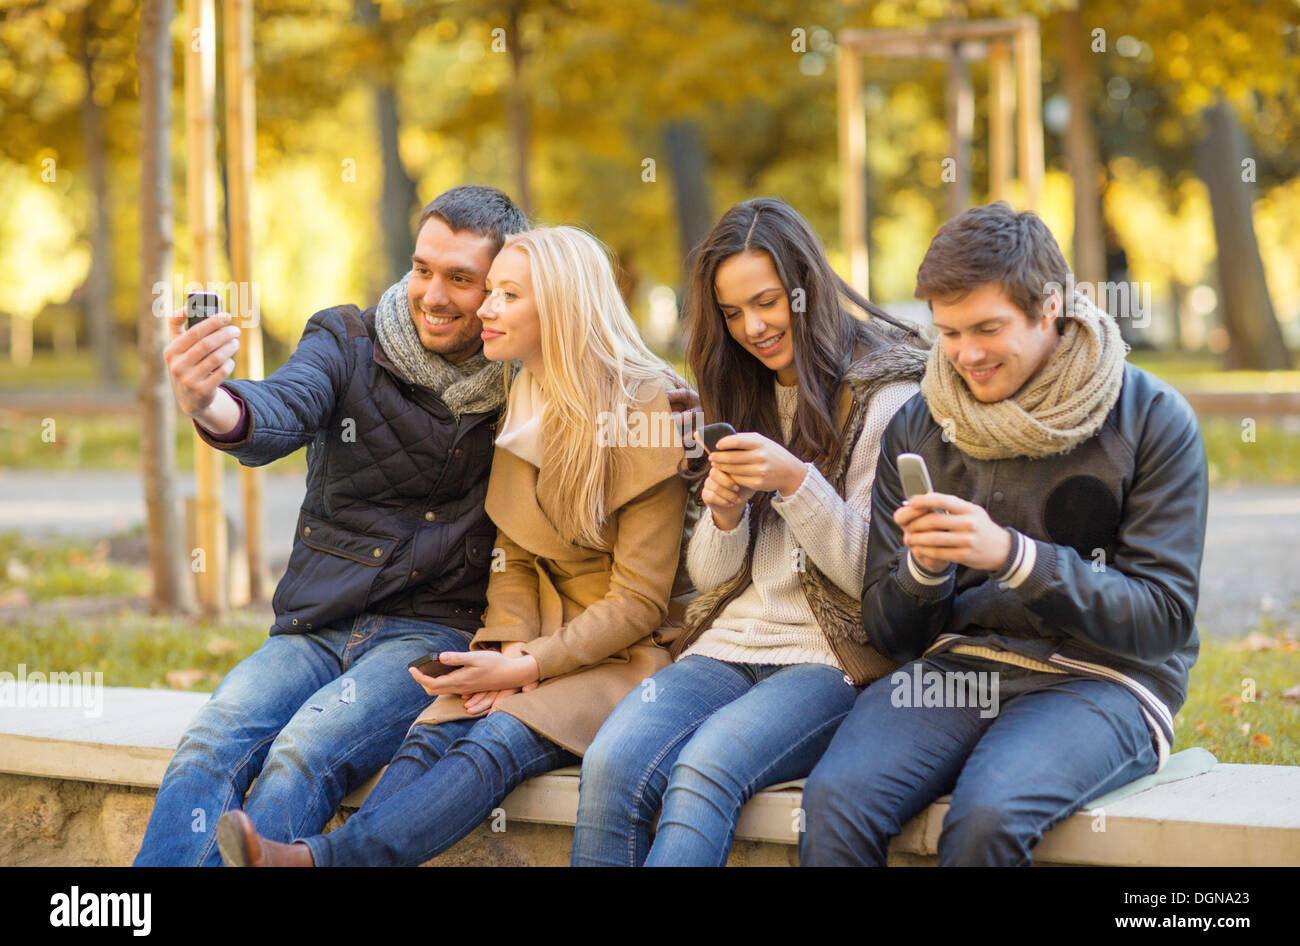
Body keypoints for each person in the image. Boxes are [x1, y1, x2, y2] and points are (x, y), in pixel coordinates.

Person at [213, 225, 696, 867]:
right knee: (430, 731)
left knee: (495, 740)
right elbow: (515, 558)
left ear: (562, 307)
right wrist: (503, 651)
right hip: (535, 637)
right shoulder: (521, 395)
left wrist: (529, 669)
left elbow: (638, 602)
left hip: (623, 654)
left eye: (508, 295)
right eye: (489, 290)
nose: (484, 310)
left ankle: (315, 862)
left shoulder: (648, 410)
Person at [799, 201, 1208, 866]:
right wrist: (922, 573)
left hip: (1104, 678)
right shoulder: (920, 426)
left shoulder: (1153, 419)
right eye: (948, 333)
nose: (966, 355)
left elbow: (1160, 621)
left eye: (987, 328)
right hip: (958, 671)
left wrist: (1015, 558)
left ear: (1050, 308)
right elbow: (891, 635)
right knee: (837, 800)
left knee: (989, 816)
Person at [134, 186, 530, 867]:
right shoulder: (347, 339)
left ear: (499, 289)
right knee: (210, 741)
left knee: (301, 752)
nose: (432, 295)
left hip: (431, 631)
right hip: (319, 620)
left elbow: (609, 386)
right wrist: (210, 401)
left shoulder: (529, 383)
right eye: (423, 269)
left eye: (461, 280)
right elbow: (278, 411)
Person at [570, 198, 929, 866]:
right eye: (732, 314)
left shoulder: (888, 397)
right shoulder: (746, 390)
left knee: (704, 770)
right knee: (614, 762)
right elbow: (712, 577)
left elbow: (875, 578)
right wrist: (724, 513)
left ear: (808, 288)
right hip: (728, 643)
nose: (753, 328)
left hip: (832, 657)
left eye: (766, 303)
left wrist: (797, 483)